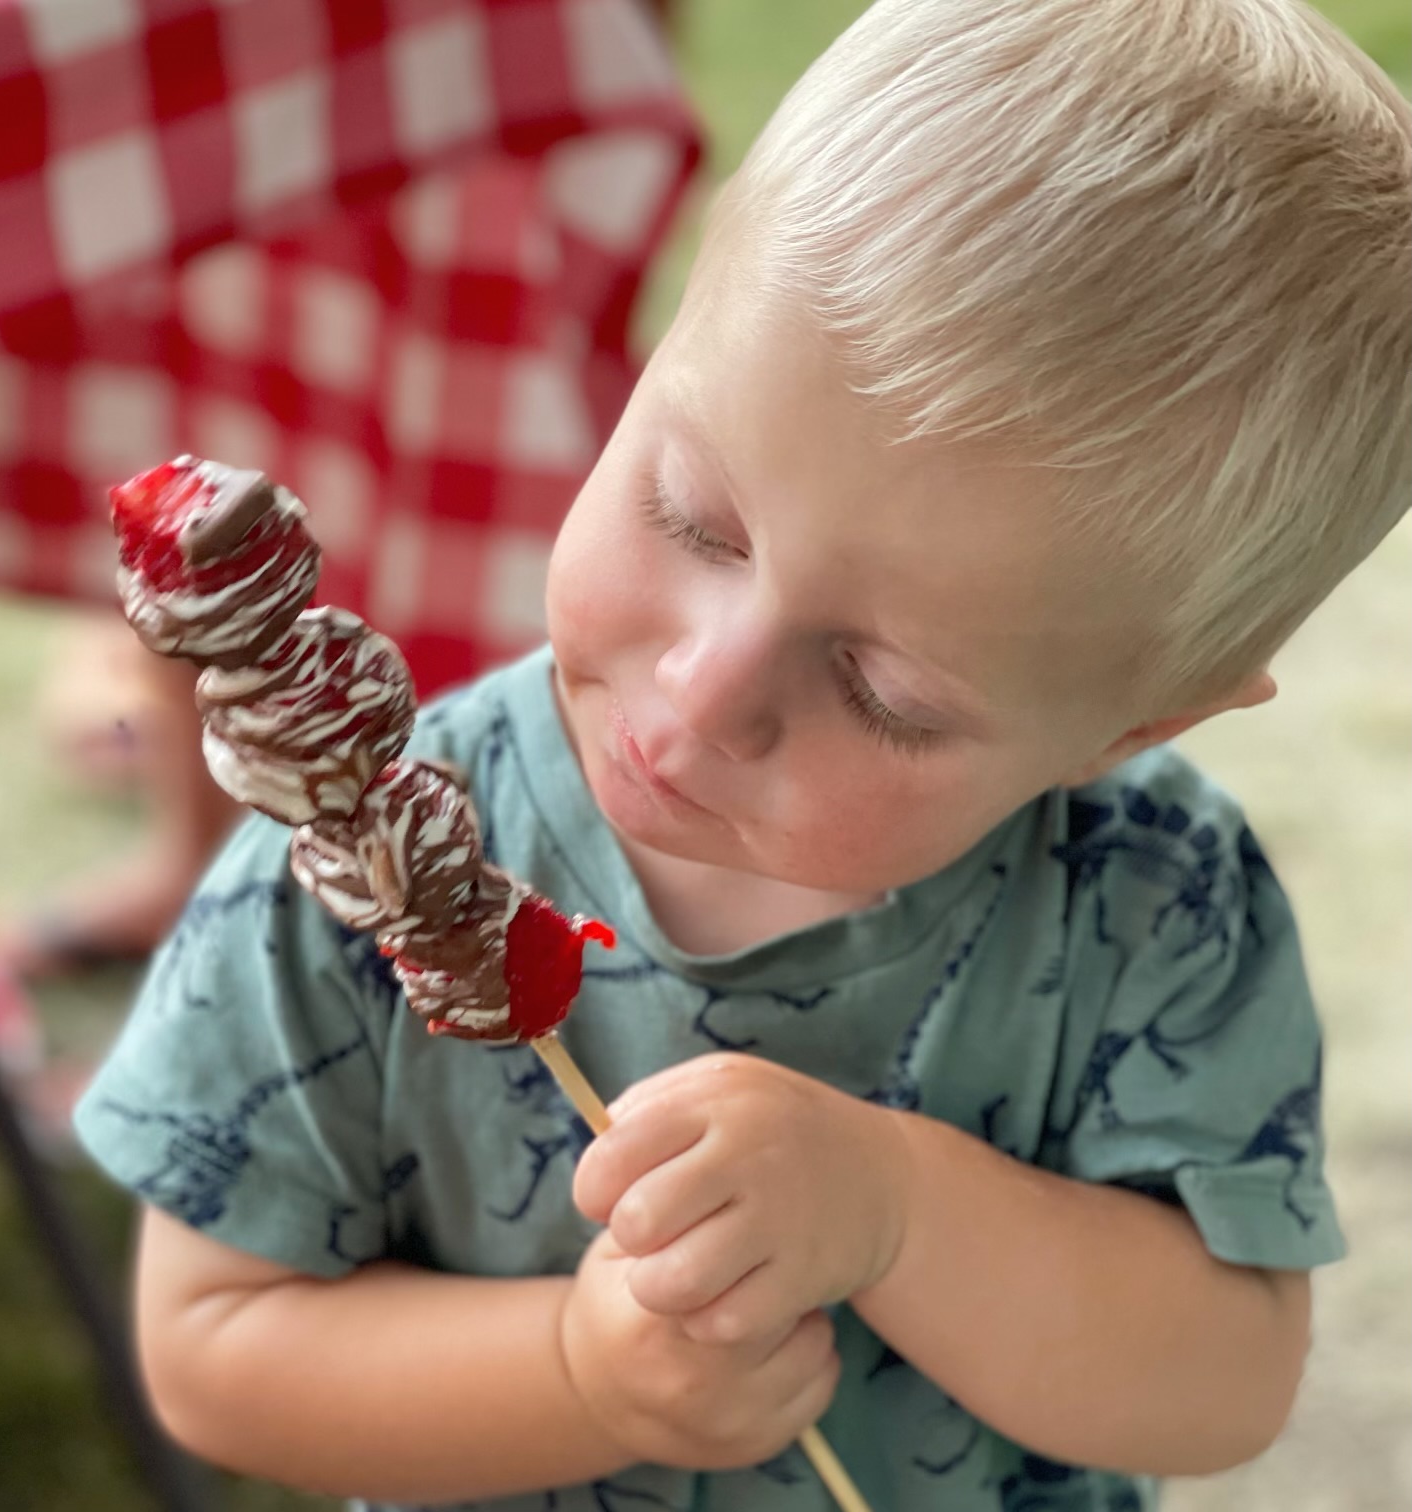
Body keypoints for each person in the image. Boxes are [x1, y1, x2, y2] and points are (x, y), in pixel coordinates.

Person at [73, 2, 1412, 1509]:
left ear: (1132, 724)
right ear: (676, 313)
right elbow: (213, 1350)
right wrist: (580, 1376)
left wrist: (897, 1215)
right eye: (692, 517)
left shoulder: (1158, 901)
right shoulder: (349, 861)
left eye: (885, 691)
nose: (705, 693)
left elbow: (1225, 1385)